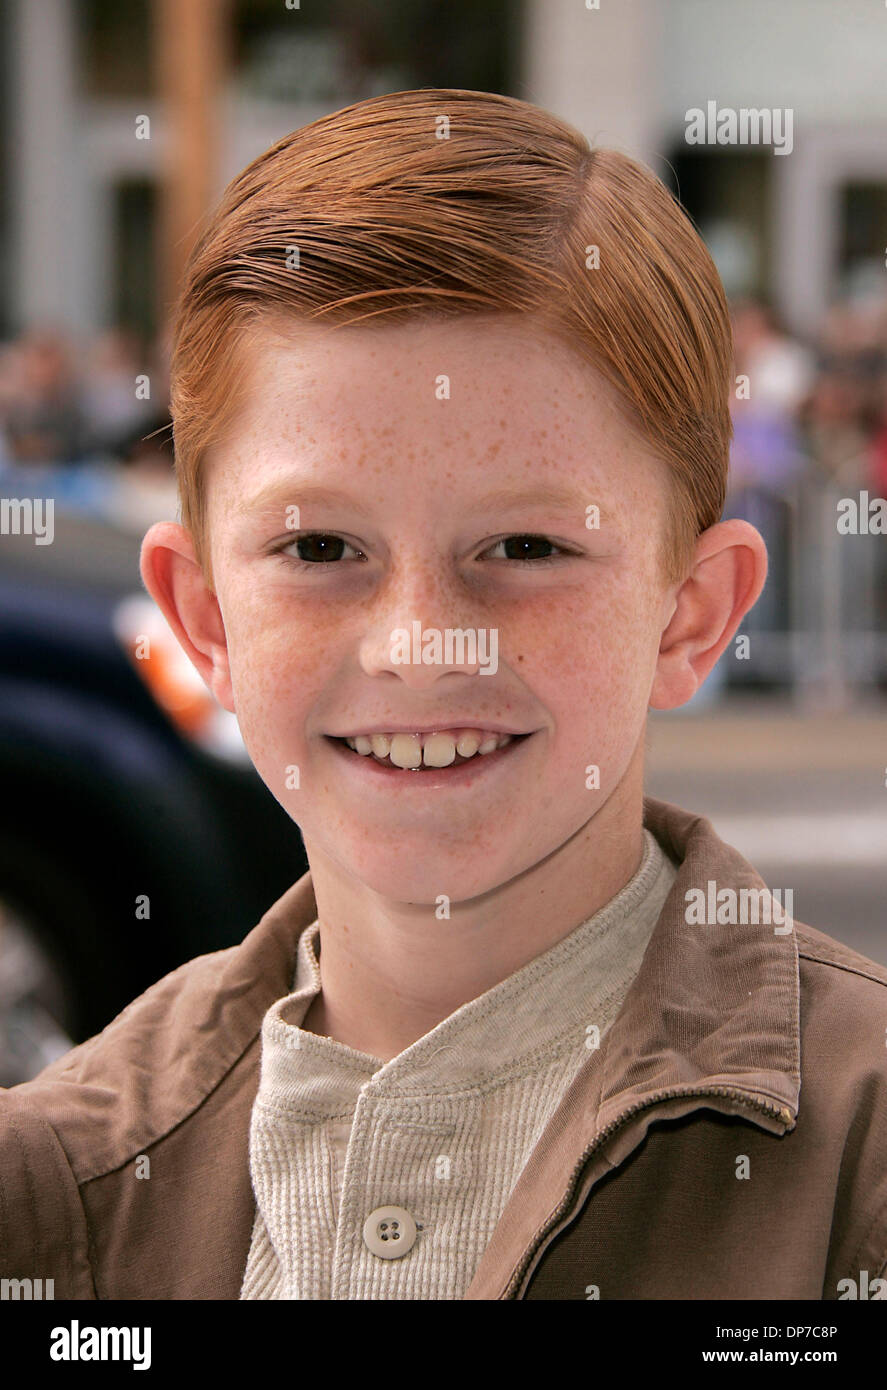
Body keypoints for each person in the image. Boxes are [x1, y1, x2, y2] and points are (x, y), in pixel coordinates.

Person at [1, 89, 885, 1301]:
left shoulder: (862, 1165)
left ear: (692, 612)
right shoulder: (50, 1191)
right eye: (319, 550)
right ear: (203, 617)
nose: (421, 646)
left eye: (524, 547)